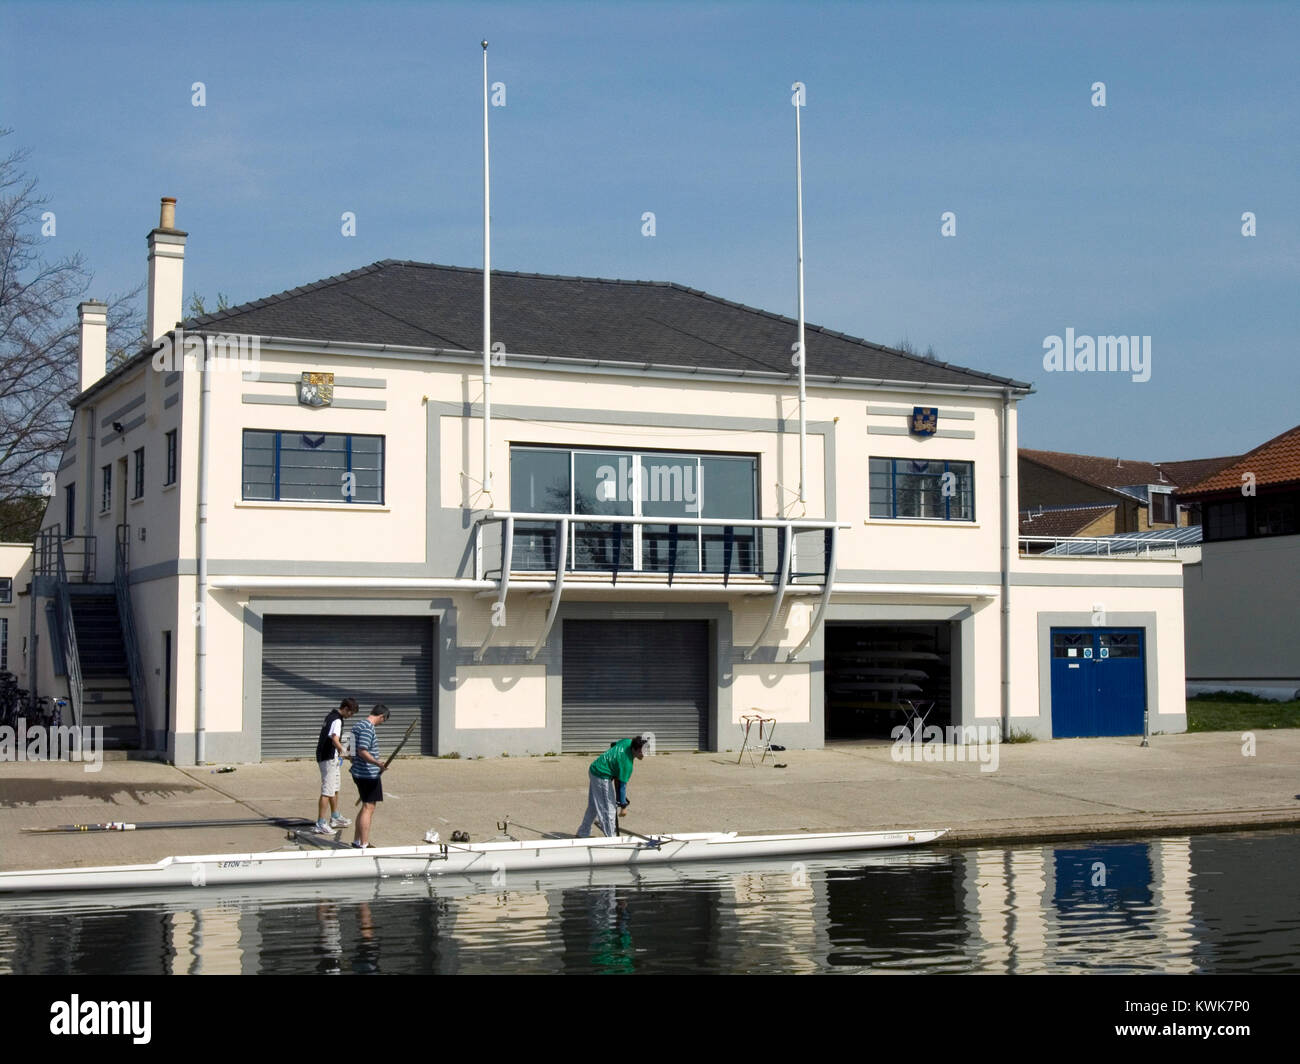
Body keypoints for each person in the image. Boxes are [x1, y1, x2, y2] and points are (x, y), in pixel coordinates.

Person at [577, 735, 647, 838]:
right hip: (601, 774)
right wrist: (623, 806)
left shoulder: (627, 741)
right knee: (608, 809)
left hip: (594, 768)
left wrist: (613, 763)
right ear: (634, 749)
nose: (644, 754)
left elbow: (613, 745)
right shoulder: (627, 764)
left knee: (594, 806)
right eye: (641, 751)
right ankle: (611, 838)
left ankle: (582, 833)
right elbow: (622, 787)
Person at [349, 704, 390, 848]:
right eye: (383, 720)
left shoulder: (357, 725)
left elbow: (351, 751)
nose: (381, 723)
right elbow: (362, 751)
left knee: (365, 806)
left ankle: (357, 840)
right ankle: (364, 844)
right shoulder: (368, 728)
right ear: (381, 716)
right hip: (368, 775)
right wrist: (378, 763)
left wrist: (355, 762)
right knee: (369, 807)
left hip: (358, 772)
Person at [314, 697, 357, 835]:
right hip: (328, 758)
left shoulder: (331, 715)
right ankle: (320, 823)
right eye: (351, 713)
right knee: (327, 791)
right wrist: (345, 753)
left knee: (335, 788)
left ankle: (335, 817)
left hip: (331, 758)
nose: (351, 716)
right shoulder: (337, 719)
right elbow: (334, 739)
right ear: (345, 709)